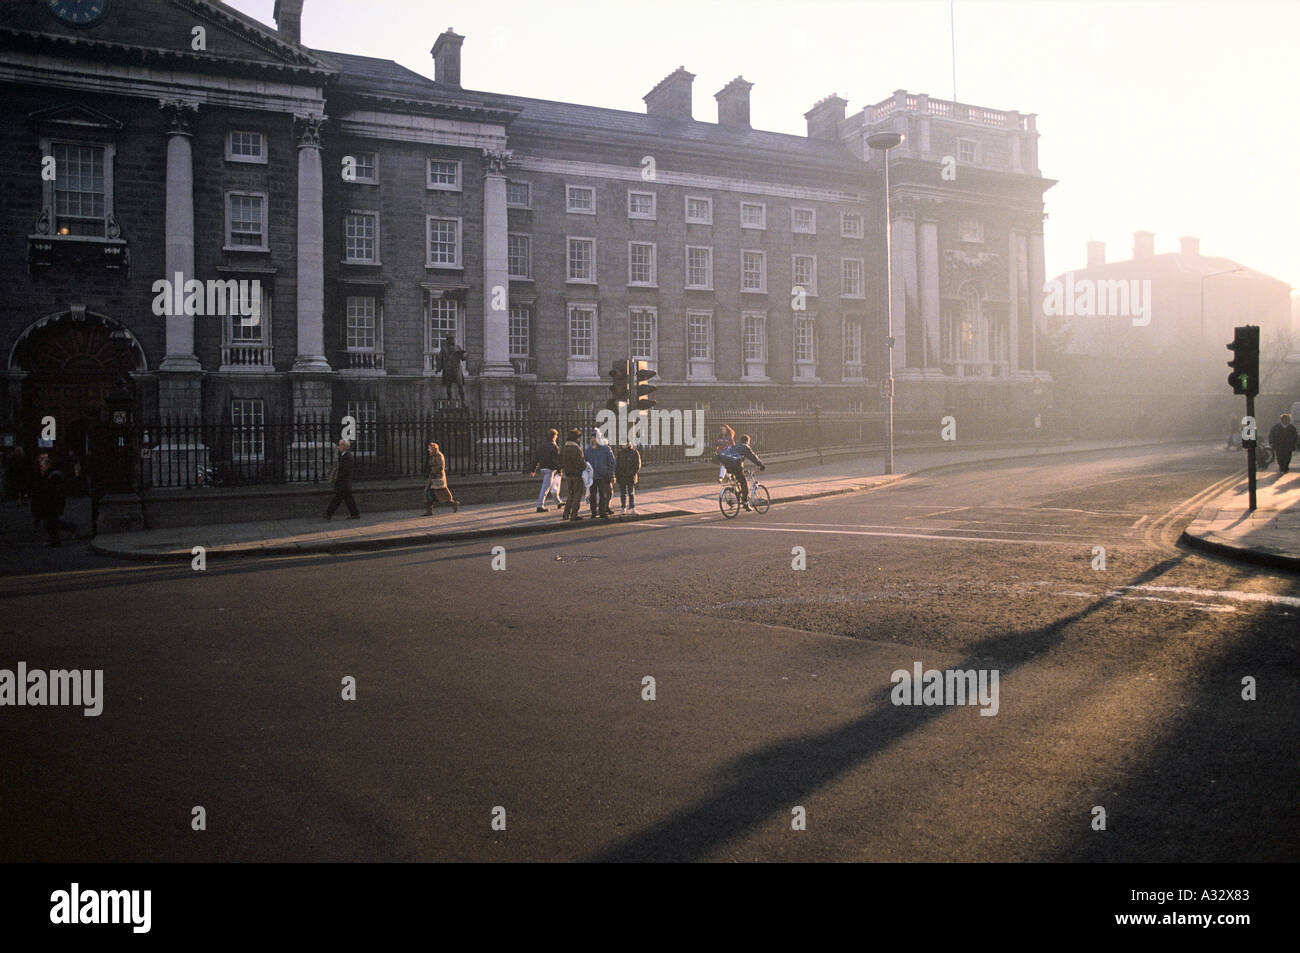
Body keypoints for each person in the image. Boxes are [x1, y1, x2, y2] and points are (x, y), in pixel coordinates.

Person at [32, 453, 75, 546]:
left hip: (52, 502)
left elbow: (53, 491)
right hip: (52, 502)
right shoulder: (52, 474)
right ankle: (59, 536)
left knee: (51, 522)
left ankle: (56, 539)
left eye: (43, 466)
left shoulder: (53, 475)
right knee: (51, 522)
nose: (41, 468)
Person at [719, 434, 766, 511]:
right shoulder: (745, 446)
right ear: (747, 441)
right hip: (736, 467)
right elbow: (752, 457)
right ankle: (745, 503)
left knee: (737, 481)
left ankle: (737, 496)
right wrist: (761, 465)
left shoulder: (735, 446)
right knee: (744, 484)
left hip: (729, 466)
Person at [323, 439, 360, 520]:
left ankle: (328, 514)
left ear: (345, 446)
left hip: (344, 482)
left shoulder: (347, 456)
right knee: (348, 499)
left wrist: (338, 478)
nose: (338, 447)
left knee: (337, 499)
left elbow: (345, 470)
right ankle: (355, 514)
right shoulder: (344, 455)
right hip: (344, 483)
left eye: (340, 445)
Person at [529, 428, 562, 512]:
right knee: (546, 488)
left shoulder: (542, 445)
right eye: (556, 436)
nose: (557, 437)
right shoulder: (554, 446)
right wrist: (559, 470)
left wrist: (533, 469)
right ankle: (540, 505)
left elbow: (536, 457)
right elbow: (556, 459)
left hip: (543, 468)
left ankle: (558, 502)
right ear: (554, 436)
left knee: (553, 486)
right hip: (550, 469)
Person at [586, 428, 616, 519]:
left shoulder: (606, 449)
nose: (593, 439)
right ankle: (593, 512)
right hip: (592, 476)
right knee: (592, 495)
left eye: (595, 437)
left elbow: (612, 462)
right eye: (592, 437)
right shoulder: (589, 449)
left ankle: (602, 511)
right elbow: (585, 461)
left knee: (603, 494)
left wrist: (610, 473)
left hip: (603, 475)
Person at [424, 441, 460, 515]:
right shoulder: (433, 456)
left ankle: (453, 503)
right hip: (433, 477)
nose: (428, 450)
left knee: (440, 493)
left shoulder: (439, 456)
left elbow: (441, 467)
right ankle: (429, 510)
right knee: (430, 493)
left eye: (430, 448)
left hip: (438, 478)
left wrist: (432, 469)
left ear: (434, 448)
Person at [559, 428, 586, 521]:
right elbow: (580, 463)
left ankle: (565, 513)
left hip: (568, 474)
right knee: (577, 495)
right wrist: (585, 466)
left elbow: (561, 461)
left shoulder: (564, 448)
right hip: (576, 474)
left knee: (570, 495)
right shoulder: (576, 449)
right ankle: (574, 514)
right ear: (576, 438)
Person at [616, 439, 641, 515]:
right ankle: (623, 508)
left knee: (631, 493)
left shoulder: (634, 452)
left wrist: (631, 473)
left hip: (630, 476)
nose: (623, 445)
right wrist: (619, 474)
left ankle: (632, 507)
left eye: (624, 443)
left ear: (628, 444)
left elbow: (637, 465)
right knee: (623, 493)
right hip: (622, 477)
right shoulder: (620, 453)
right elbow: (617, 465)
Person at [439, 334, 467, 404]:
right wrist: (439, 368)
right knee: (448, 387)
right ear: (447, 340)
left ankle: (463, 401)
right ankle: (449, 401)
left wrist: (465, 355)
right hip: (448, 370)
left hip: (456, 370)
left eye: (453, 339)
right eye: (450, 339)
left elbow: (463, 358)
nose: (452, 340)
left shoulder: (457, 348)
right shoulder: (444, 349)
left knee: (460, 386)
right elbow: (439, 359)